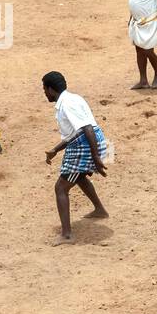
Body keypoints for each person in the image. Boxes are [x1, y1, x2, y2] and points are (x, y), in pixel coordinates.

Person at [42, 71, 109, 245]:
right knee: (77, 176)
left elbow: (86, 128)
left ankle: (66, 235)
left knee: (61, 188)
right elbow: (77, 132)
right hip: (89, 141)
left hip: (86, 145)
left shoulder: (67, 105)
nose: (44, 93)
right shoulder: (73, 98)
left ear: (50, 89)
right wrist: (55, 150)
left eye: (44, 89)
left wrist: (95, 157)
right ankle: (100, 210)